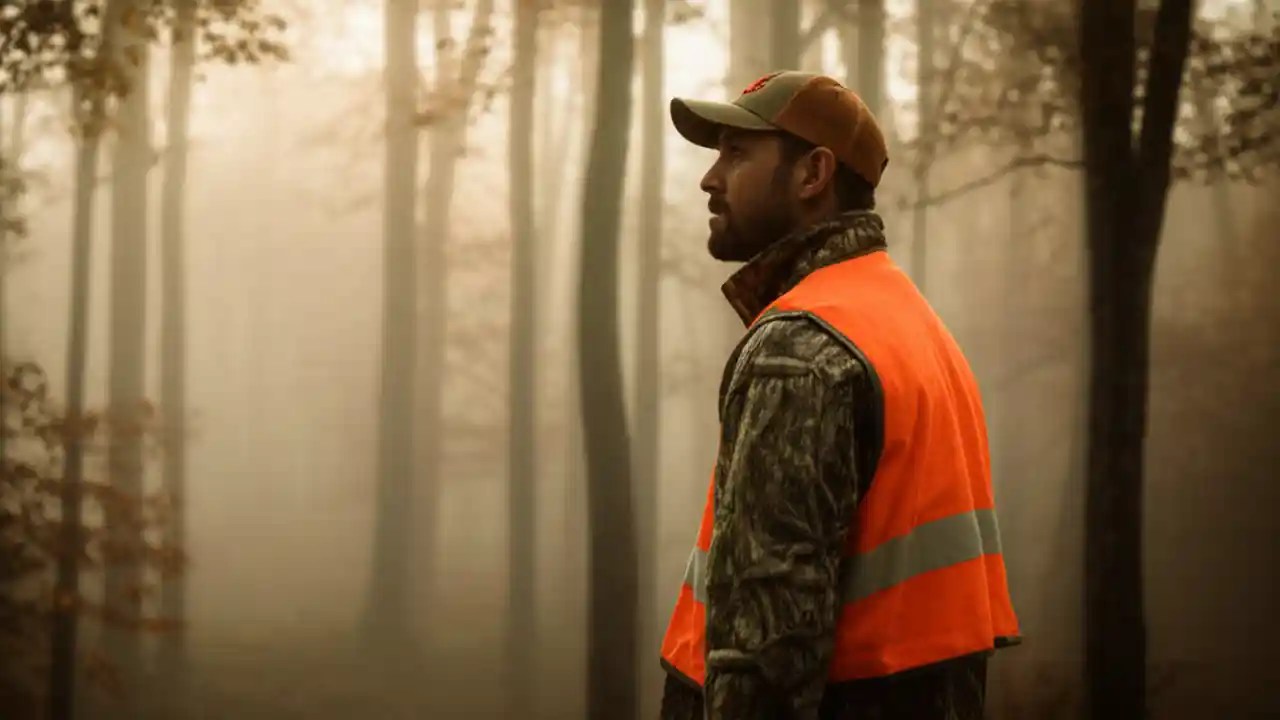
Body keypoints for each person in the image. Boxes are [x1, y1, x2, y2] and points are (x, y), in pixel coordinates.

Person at [656, 71, 1021, 719]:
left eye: (737, 153)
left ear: (812, 174)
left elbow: (767, 641)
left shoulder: (800, 348)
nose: (711, 180)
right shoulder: (913, 326)